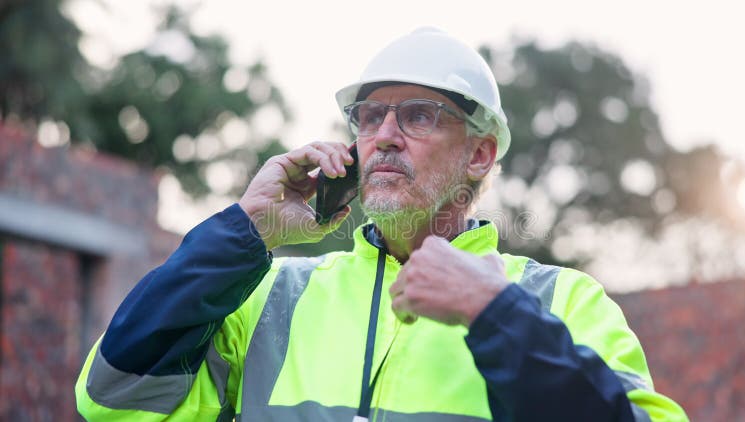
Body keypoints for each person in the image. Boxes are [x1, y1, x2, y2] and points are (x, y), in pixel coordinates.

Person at [75, 27, 687, 421]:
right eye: (369, 117)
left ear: (479, 154)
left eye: (418, 116)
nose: (384, 136)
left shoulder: (561, 302)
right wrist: (246, 232)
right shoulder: (272, 294)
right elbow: (112, 397)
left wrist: (495, 313)